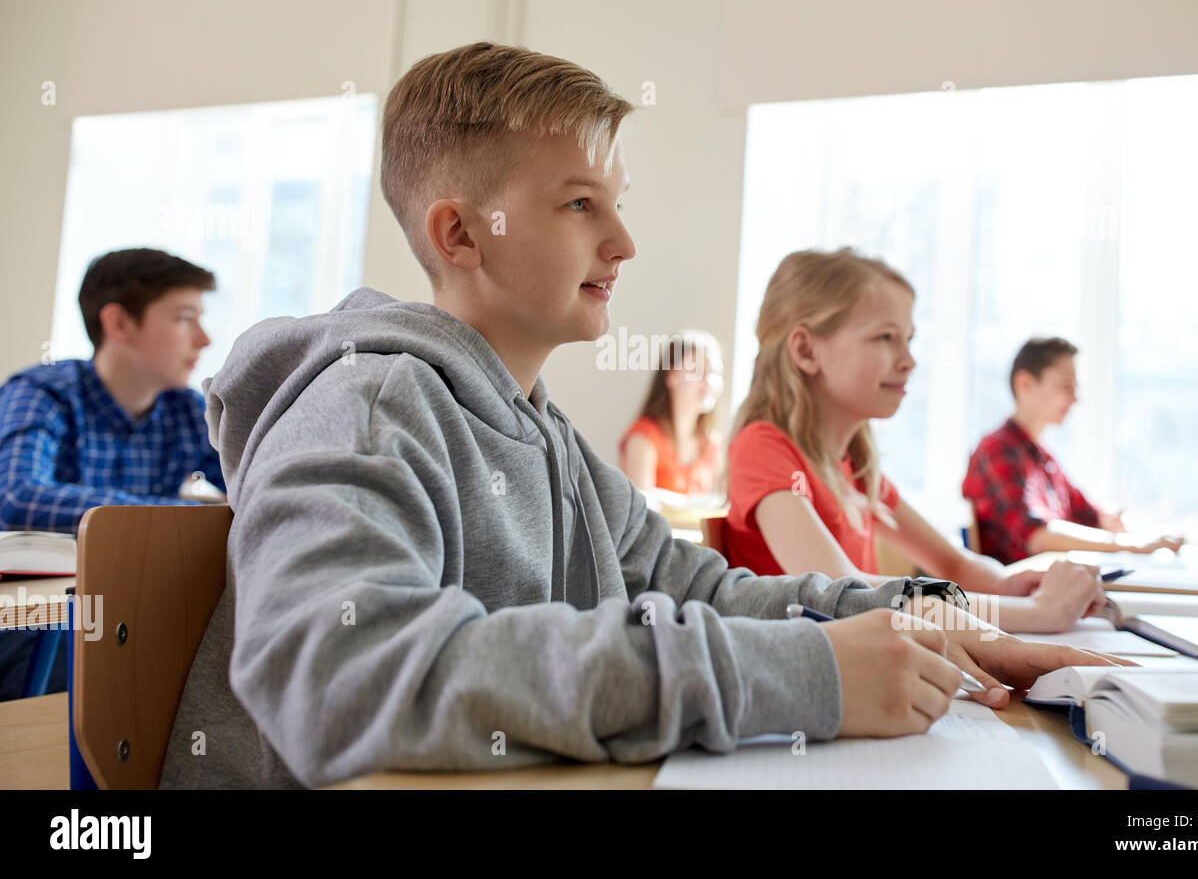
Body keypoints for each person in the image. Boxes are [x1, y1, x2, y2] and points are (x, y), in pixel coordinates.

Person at [159, 42, 1131, 789]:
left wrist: (934, 622)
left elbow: (701, 588)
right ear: (459, 232)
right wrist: (797, 673)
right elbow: (342, 674)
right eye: (580, 203)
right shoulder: (368, 403)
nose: (622, 240)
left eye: (615, 203)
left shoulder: (546, 437)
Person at [723, 248, 1107, 634]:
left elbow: (955, 565)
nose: (908, 360)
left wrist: (1008, 586)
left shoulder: (854, 467)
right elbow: (843, 592)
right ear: (806, 351)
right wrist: (1033, 614)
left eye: (908, 339)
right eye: (885, 337)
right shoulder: (762, 448)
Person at [0, 247, 224, 699]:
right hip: (31, 619)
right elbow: (18, 496)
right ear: (118, 323)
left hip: (115, 608)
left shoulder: (185, 411)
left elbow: (252, 489)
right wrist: (172, 514)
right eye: (184, 318)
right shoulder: (42, 392)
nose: (203, 339)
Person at [963, 337, 1184, 563]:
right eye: (1066, 386)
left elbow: (1089, 515)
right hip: (1023, 594)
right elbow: (1038, 536)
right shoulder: (997, 450)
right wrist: (1132, 545)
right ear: (1025, 384)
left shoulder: (1042, 459)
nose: (1075, 398)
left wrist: (1111, 521)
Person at [618, 330, 724, 507]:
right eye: (697, 371)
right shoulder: (644, 437)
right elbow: (639, 504)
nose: (709, 383)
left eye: (715, 373)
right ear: (670, 375)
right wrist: (687, 504)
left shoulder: (711, 444)